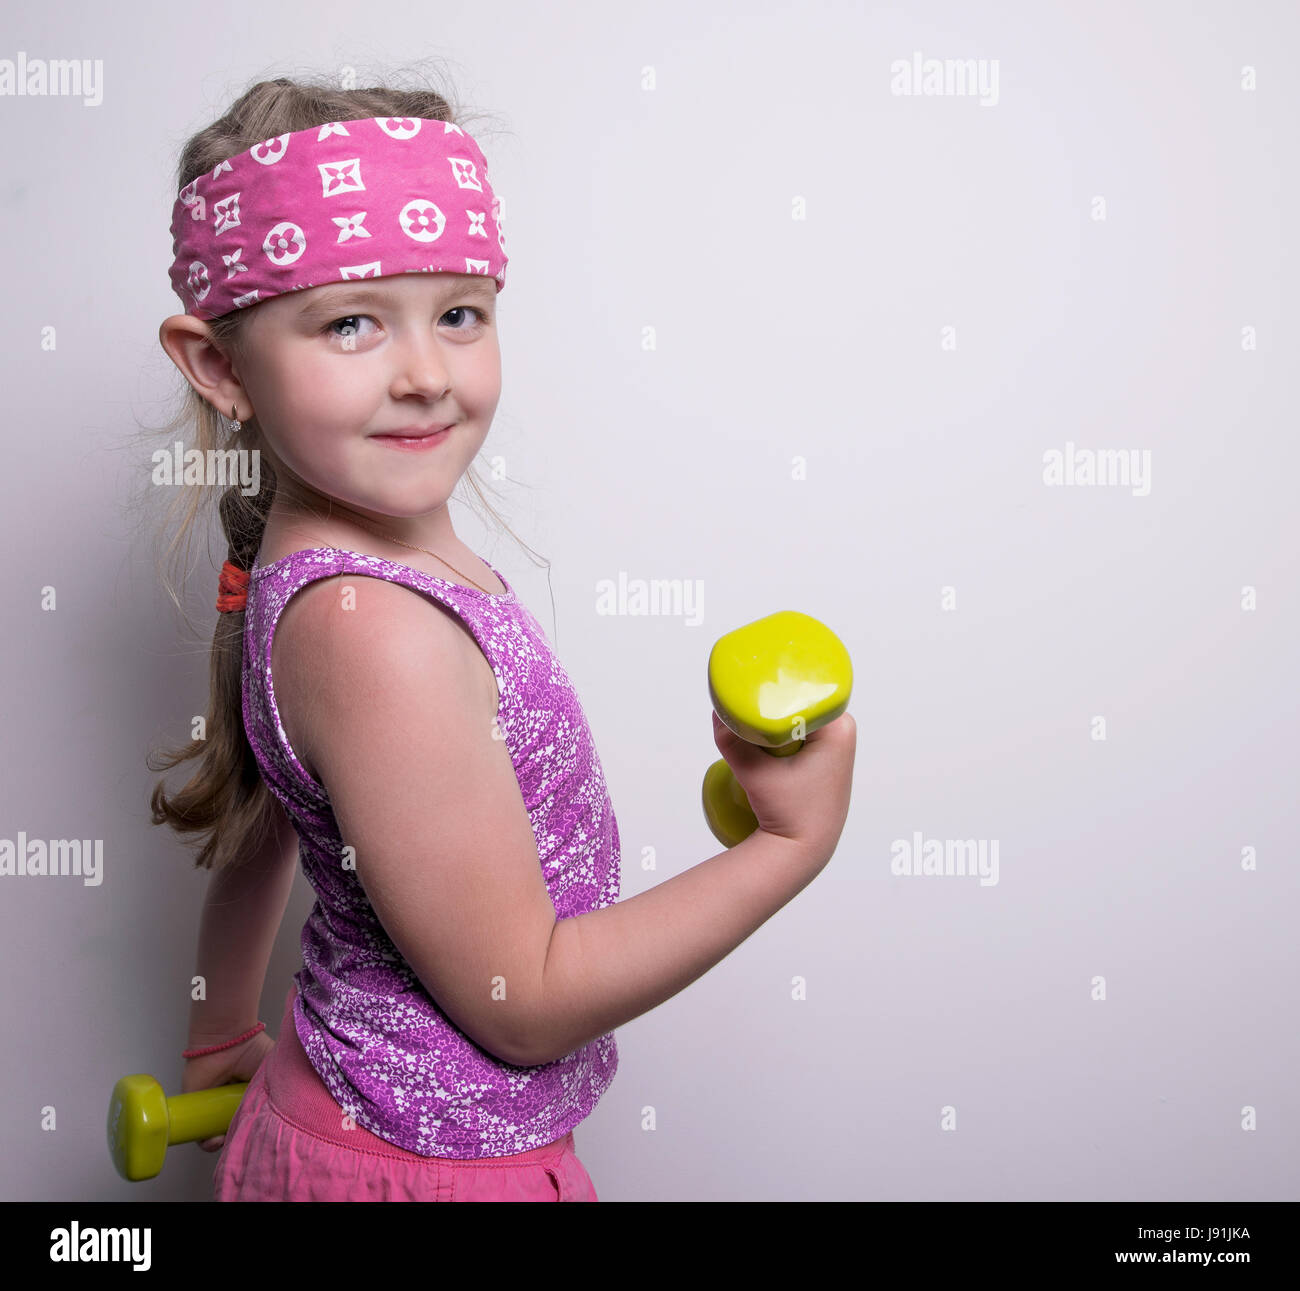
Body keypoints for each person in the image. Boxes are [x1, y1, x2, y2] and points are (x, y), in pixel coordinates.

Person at [149, 73, 857, 1203]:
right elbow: (518, 998)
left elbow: (264, 824)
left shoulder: (323, 573)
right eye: (349, 323)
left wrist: (218, 1029)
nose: (427, 372)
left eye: (459, 313)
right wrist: (784, 848)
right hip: (431, 1173)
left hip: (345, 1121)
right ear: (222, 367)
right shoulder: (372, 630)